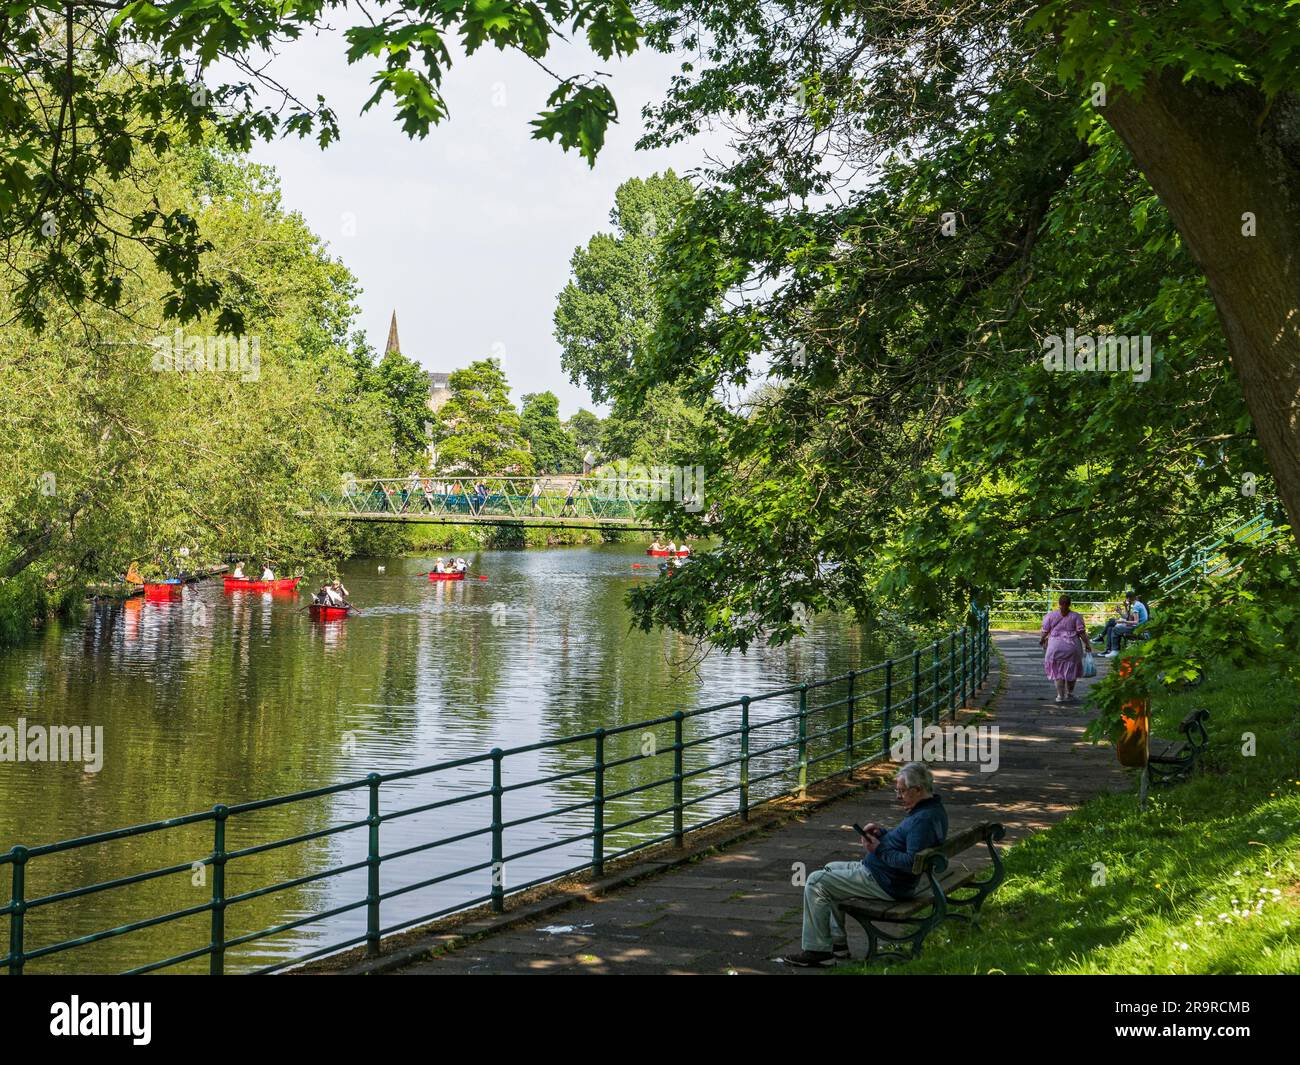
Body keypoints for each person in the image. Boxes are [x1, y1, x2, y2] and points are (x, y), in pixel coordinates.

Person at [777, 763, 947, 967]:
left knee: (815, 882)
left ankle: (817, 952)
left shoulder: (922, 820)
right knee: (830, 868)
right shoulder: (931, 810)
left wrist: (879, 849)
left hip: (886, 883)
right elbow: (905, 842)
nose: (898, 796)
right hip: (886, 876)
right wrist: (882, 833)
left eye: (901, 791)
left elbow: (910, 863)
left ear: (918, 789)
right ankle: (838, 946)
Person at [1041, 593, 1092, 703]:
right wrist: (1087, 644)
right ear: (1070, 604)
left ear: (1059, 603)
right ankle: (1069, 694)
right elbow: (1081, 632)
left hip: (1055, 647)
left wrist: (1042, 639)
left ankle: (1060, 696)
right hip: (1072, 647)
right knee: (1071, 671)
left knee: (1058, 673)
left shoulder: (1050, 615)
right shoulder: (1076, 616)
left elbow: (1045, 631)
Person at [1100, 590, 1149, 656]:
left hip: (1138, 628)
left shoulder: (1136, 606)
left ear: (1129, 598)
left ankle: (1115, 650)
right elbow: (1129, 618)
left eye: (1127, 598)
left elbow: (1136, 622)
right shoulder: (1137, 604)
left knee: (1115, 629)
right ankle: (1110, 650)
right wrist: (1123, 609)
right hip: (1137, 626)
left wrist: (1122, 621)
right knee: (1111, 627)